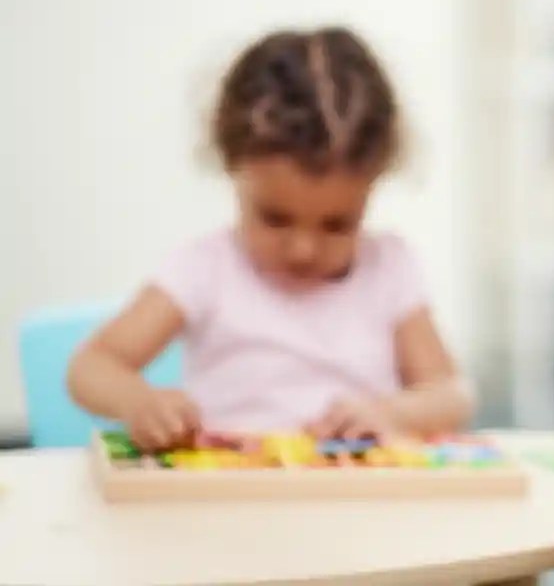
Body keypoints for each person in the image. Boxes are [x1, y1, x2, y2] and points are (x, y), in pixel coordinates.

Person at [67, 27, 474, 450]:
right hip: (232, 503)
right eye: (275, 219)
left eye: (337, 225)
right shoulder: (206, 268)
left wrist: (393, 413)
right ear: (232, 167)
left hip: (357, 504)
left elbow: (452, 394)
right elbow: (92, 366)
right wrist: (139, 403)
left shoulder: (389, 268)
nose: (303, 249)